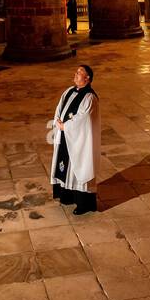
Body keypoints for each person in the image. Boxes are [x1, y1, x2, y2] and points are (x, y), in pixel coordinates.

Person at [48, 63, 101, 215]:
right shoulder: (69, 91)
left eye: (79, 73)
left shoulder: (90, 98)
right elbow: (60, 107)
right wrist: (58, 120)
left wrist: (66, 126)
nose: (75, 75)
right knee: (65, 167)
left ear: (88, 78)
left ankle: (83, 204)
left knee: (79, 168)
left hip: (80, 141)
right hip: (65, 135)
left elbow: (83, 119)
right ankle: (67, 196)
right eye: (76, 72)